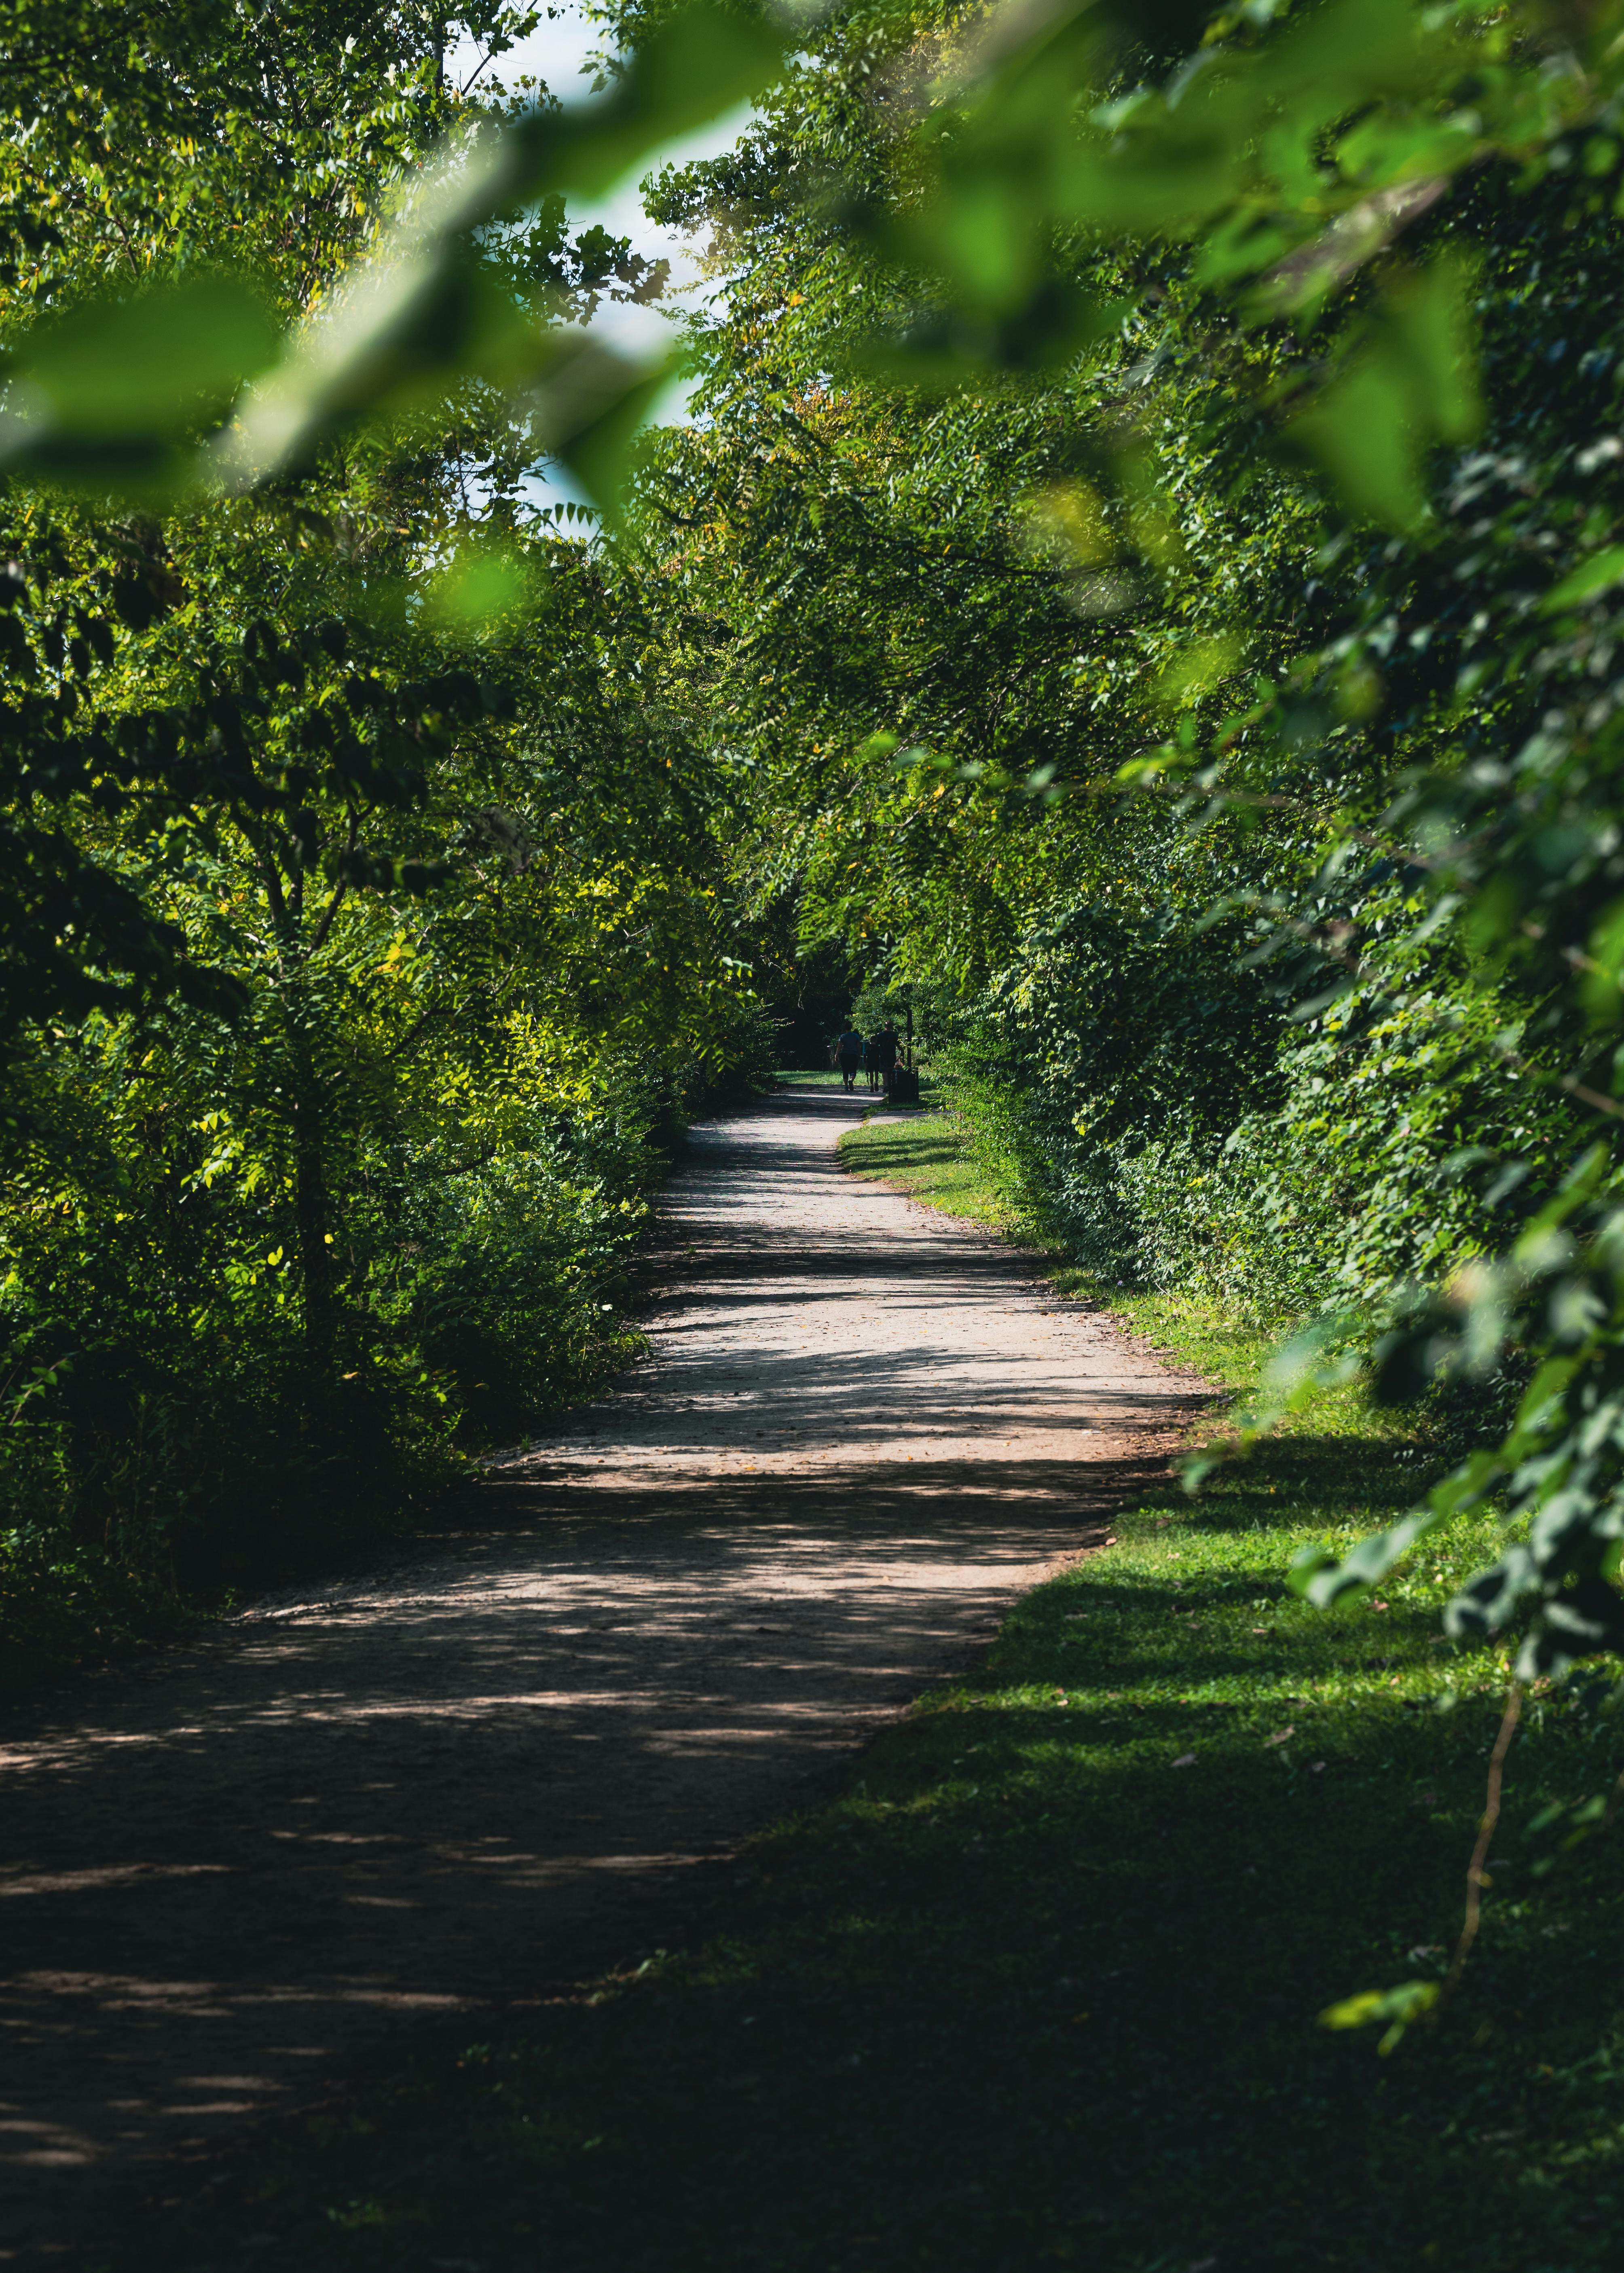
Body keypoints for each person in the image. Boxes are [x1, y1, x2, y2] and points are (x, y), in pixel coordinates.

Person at [834, 1022, 863, 1092]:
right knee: (853, 1070)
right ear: (852, 1027)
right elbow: (858, 1046)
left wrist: (836, 1055)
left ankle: (846, 1087)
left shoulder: (843, 1037)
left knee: (845, 1071)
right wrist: (859, 1054)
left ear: (845, 1028)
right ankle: (851, 1080)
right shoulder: (856, 1036)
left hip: (845, 1055)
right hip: (854, 1055)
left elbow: (840, 1047)